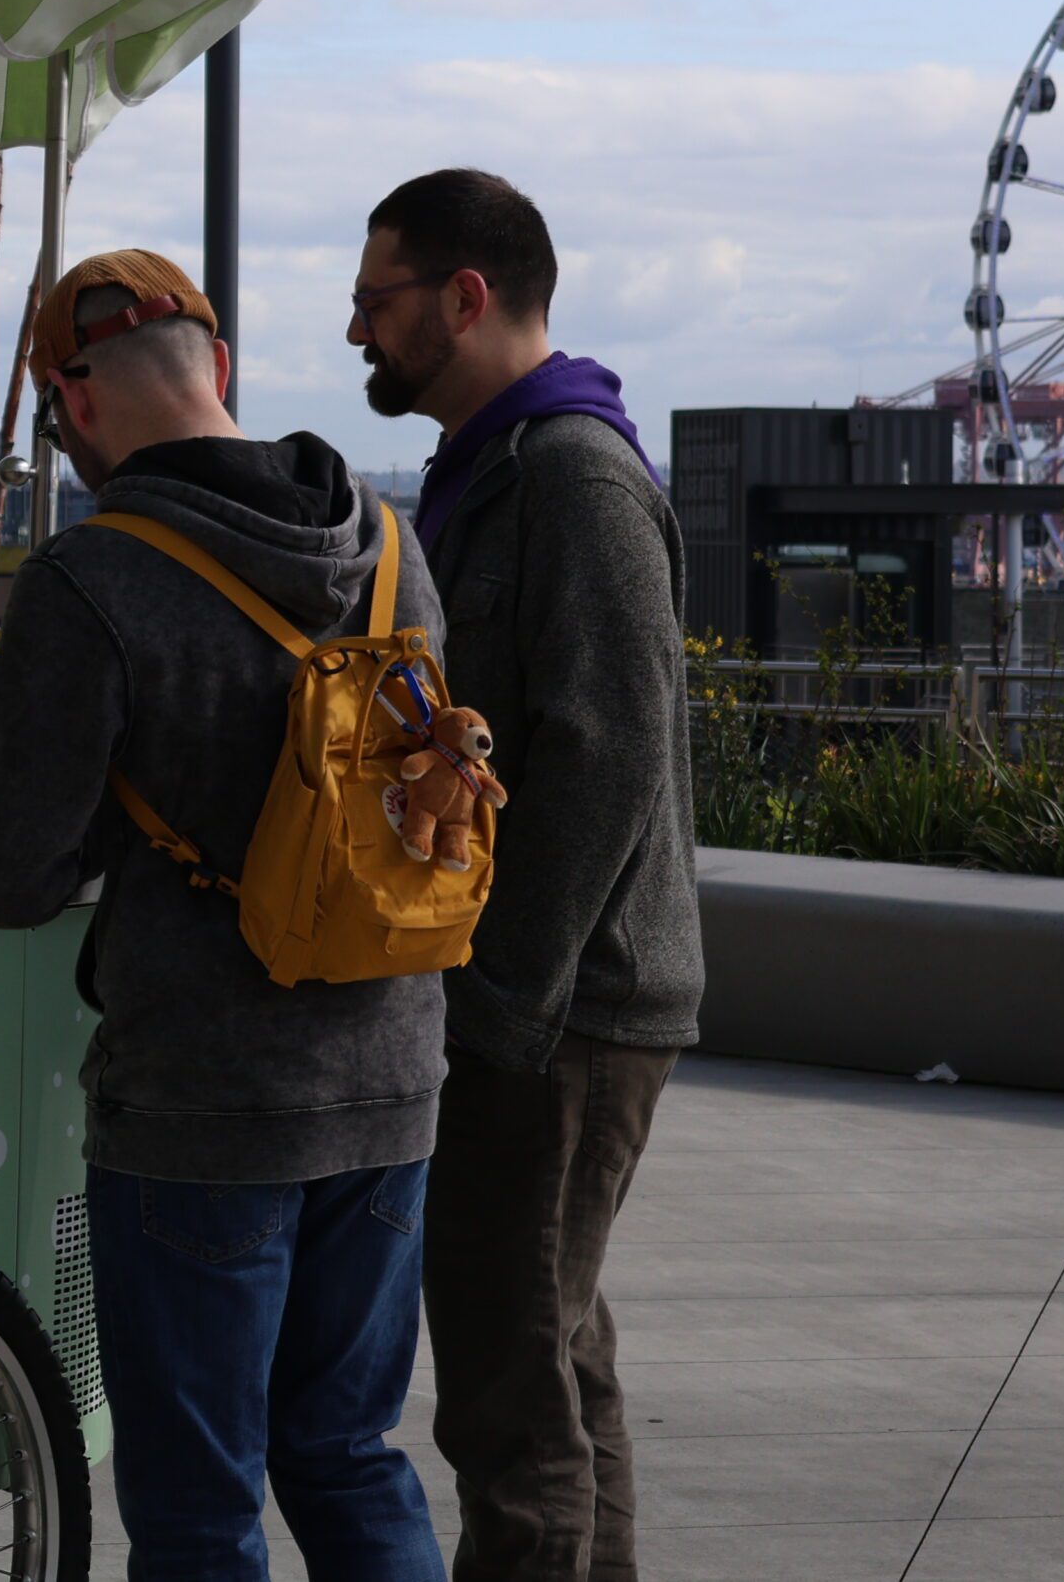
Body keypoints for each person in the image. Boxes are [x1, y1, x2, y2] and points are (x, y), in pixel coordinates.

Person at [0, 248, 449, 1581]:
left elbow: (9, 875)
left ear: (76, 401)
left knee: (197, 1508)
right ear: (218, 369)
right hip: (394, 1081)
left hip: (202, 1106)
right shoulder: (392, 548)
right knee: (349, 1455)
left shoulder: (94, 578)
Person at [345, 168, 701, 1582]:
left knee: (506, 1396)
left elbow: (609, 754)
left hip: (561, 1012)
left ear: (467, 297)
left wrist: (503, 999)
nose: (360, 331)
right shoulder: (503, 467)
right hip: (554, 1003)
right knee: (558, 1363)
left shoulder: (573, 475)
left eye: (379, 300)